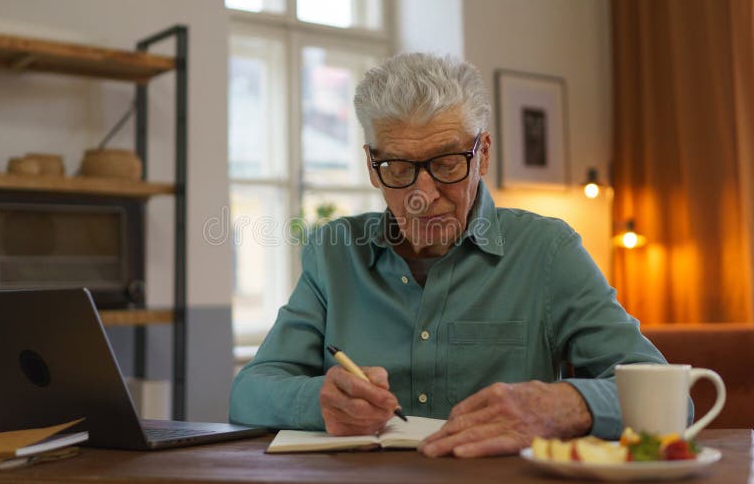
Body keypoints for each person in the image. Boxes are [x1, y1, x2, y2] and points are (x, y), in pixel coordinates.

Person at [229, 52, 666, 458]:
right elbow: (248, 393)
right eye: (399, 168)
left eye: (447, 164)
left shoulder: (548, 252)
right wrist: (319, 402)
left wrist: (563, 405)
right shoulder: (334, 254)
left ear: (483, 154)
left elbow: (667, 396)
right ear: (371, 166)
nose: (423, 195)